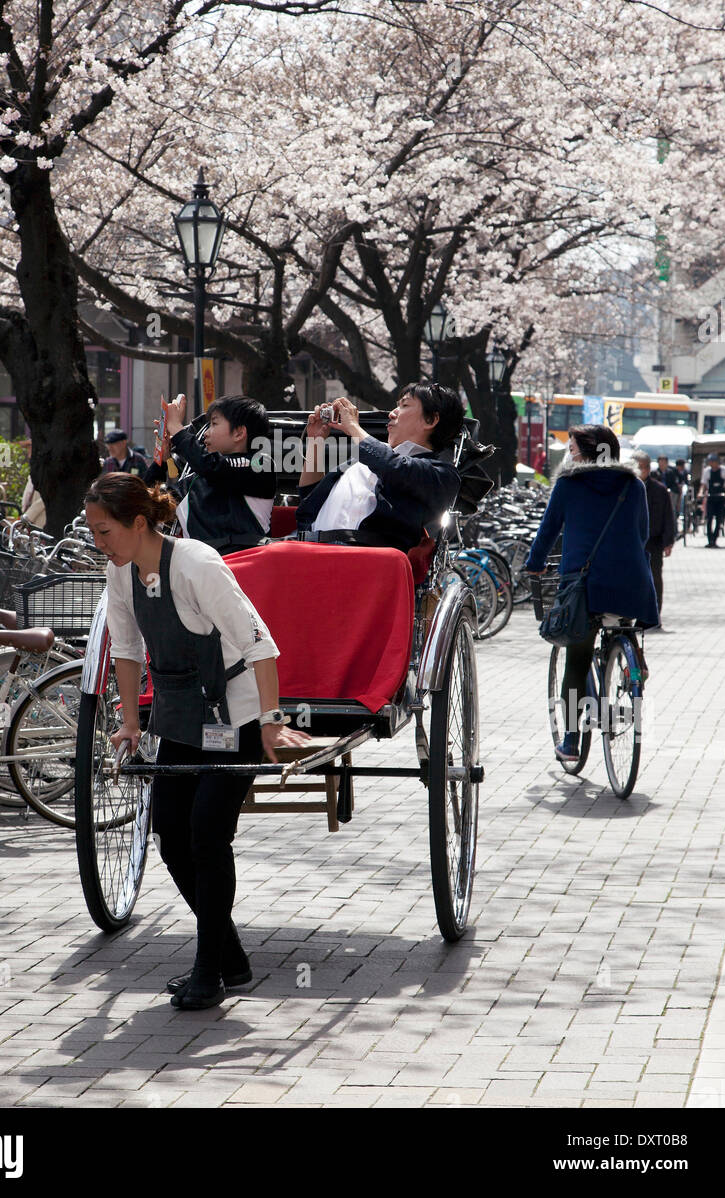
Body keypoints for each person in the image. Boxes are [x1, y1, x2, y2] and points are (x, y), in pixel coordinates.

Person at [85, 472, 309, 1010]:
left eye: (104, 531)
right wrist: (132, 721)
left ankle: (209, 967)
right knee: (169, 833)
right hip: (182, 719)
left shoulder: (197, 565)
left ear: (139, 523)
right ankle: (230, 954)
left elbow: (262, 645)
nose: (99, 543)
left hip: (236, 717)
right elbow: (128, 649)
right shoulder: (121, 573)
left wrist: (273, 722)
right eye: (93, 532)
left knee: (207, 834)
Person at [525, 425, 658, 761]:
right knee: (620, 626)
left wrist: (535, 564)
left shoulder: (569, 483)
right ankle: (630, 661)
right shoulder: (633, 484)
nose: (569, 454)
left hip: (583, 584)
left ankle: (571, 741)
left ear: (584, 452)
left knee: (578, 656)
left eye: (571, 448)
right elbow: (641, 533)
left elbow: (549, 529)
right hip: (631, 581)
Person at [296, 382, 464, 552]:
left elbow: (394, 467)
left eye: (404, 405)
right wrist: (315, 442)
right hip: (310, 553)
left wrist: (354, 427)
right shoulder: (360, 461)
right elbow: (310, 498)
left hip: (366, 564)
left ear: (431, 420)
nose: (392, 413)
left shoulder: (442, 474)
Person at [147, 394, 278, 555]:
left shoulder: (260, 465)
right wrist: (161, 459)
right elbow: (145, 502)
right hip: (196, 568)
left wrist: (176, 427)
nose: (206, 434)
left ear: (238, 433)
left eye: (214, 424)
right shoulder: (192, 480)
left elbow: (214, 467)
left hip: (242, 567)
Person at [632, 451, 675, 622]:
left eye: (641, 468)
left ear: (649, 469)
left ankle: (653, 615)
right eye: (635, 468)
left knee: (654, 578)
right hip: (632, 543)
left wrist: (668, 541)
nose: (639, 471)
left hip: (653, 542)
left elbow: (668, 516)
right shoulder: (626, 488)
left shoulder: (659, 490)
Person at [699, 450, 725, 548]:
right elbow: (703, 484)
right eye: (711, 461)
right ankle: (710, 540)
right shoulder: (707, 471)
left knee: (719, 519)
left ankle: (715, 538)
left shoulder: (724, 470)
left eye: (714, 461)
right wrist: (700, 493)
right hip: (711, 497)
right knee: (709, 519)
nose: (712, 463)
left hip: (720, 497)